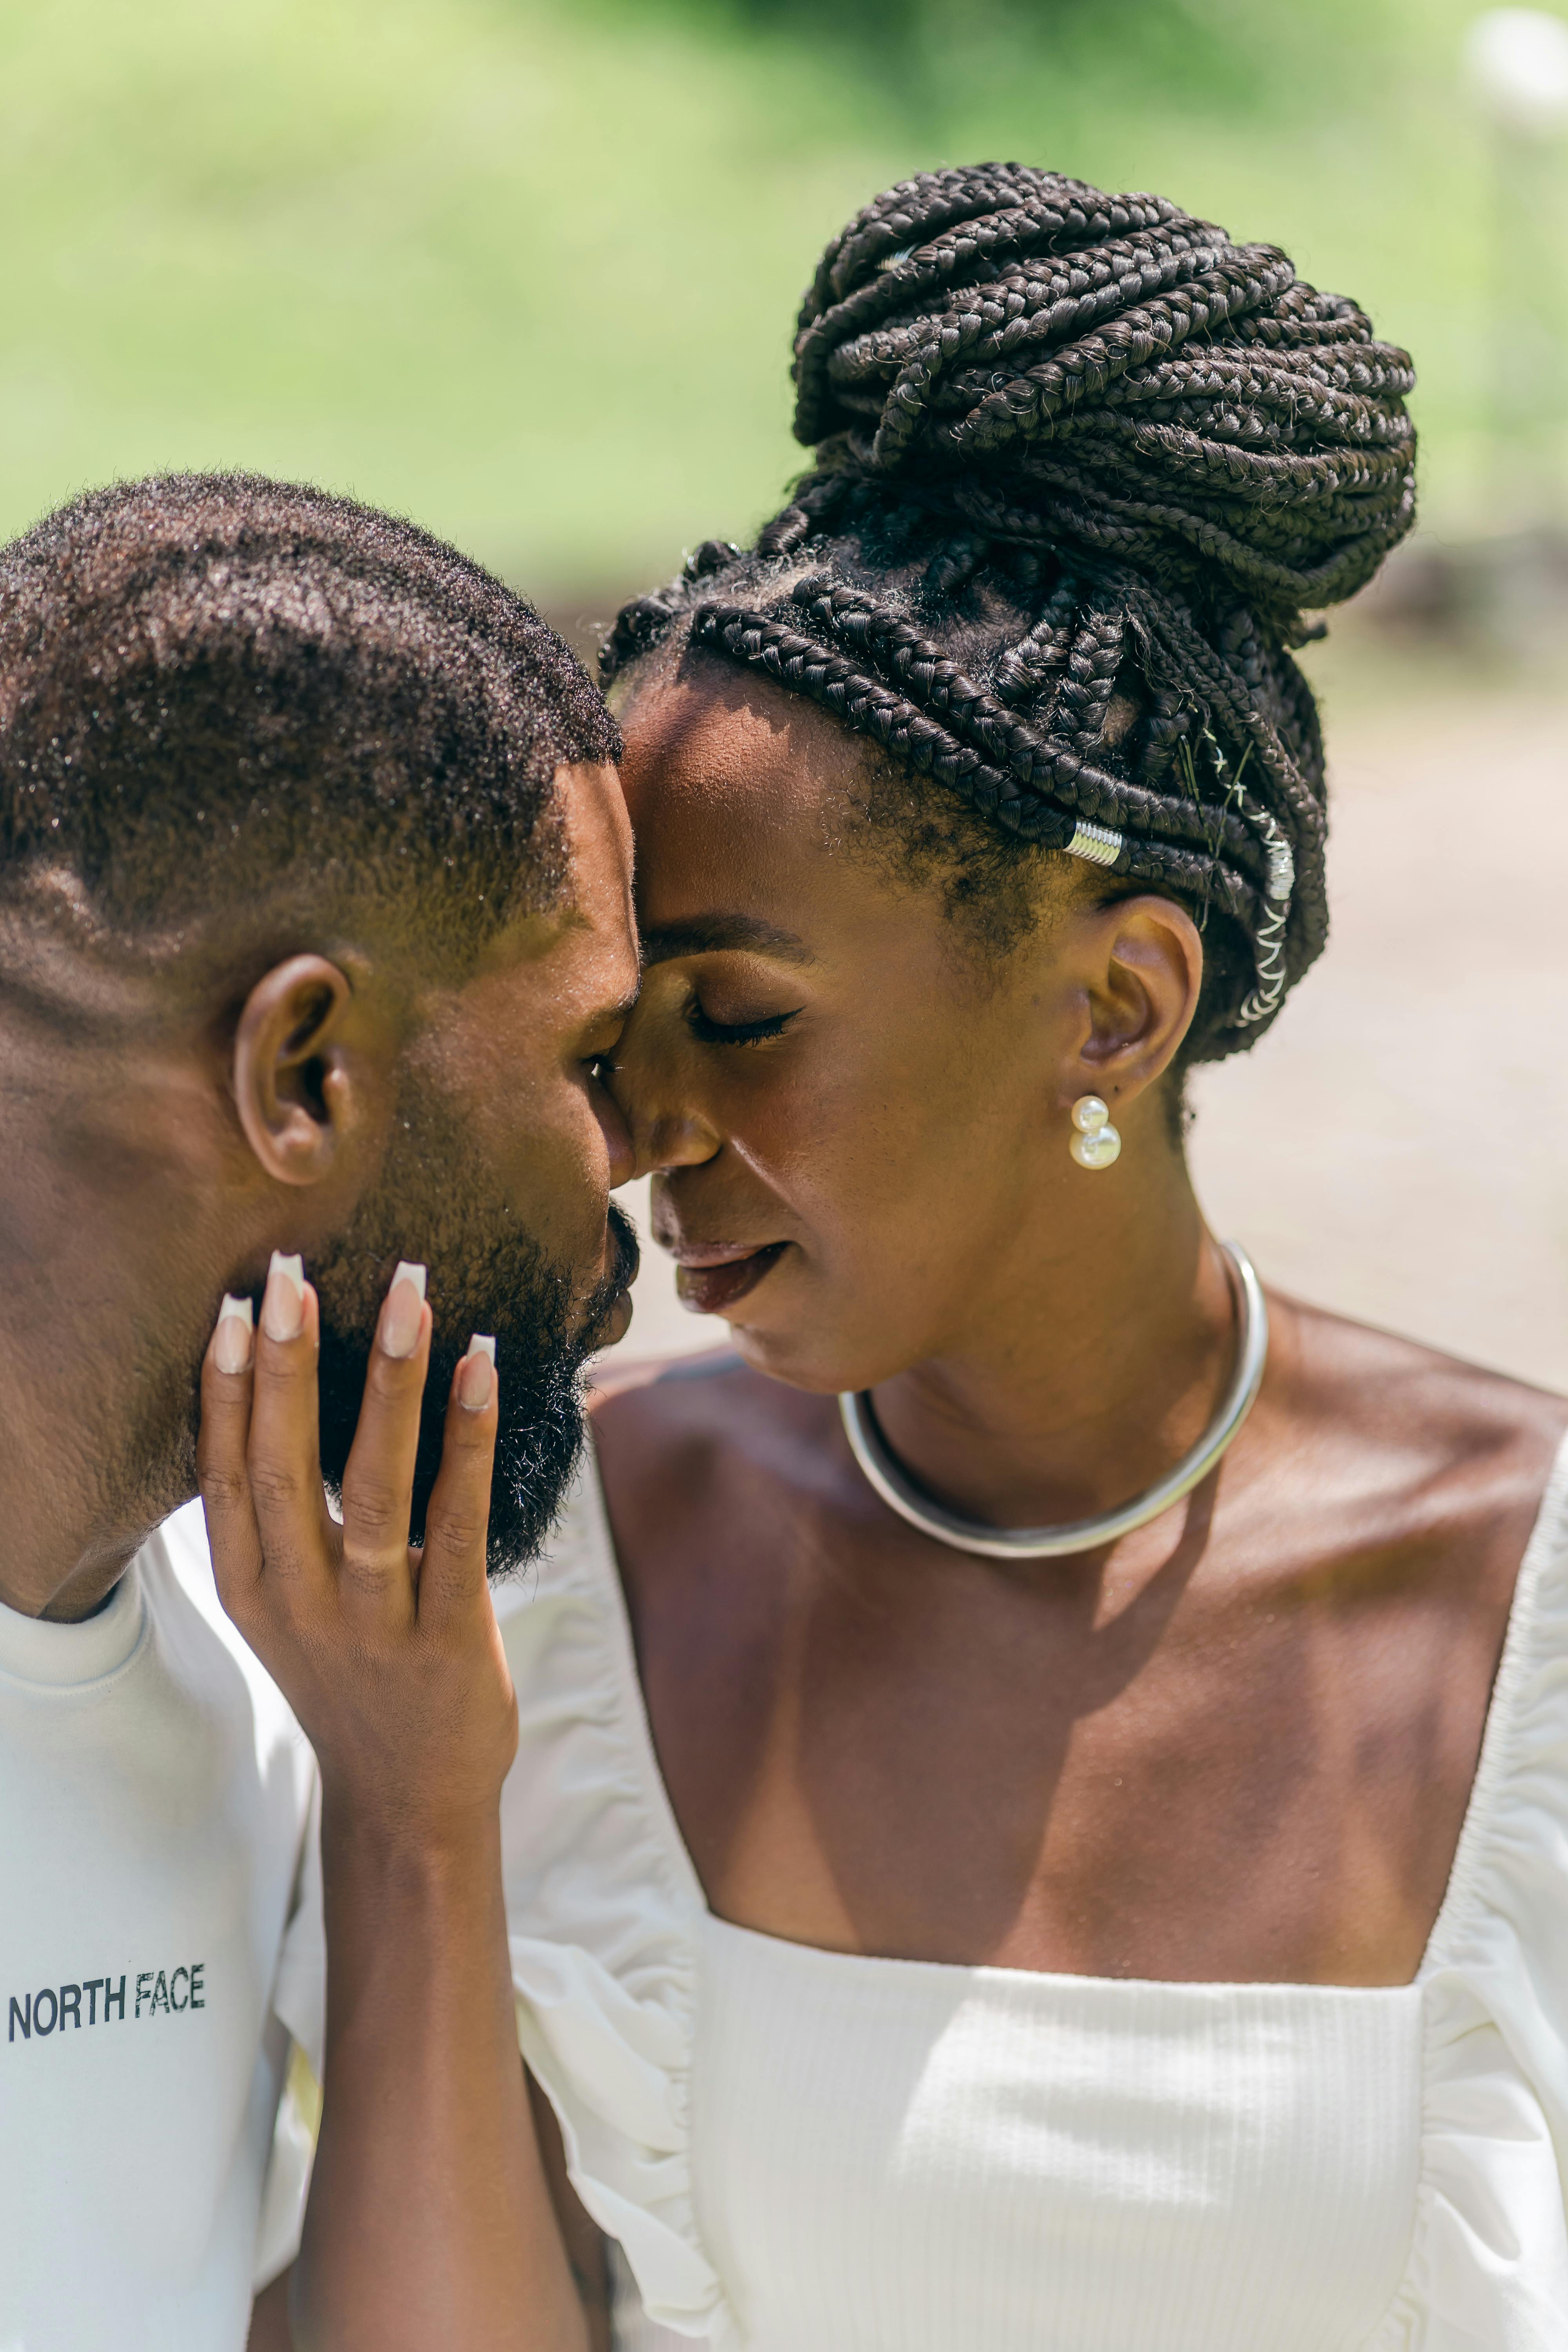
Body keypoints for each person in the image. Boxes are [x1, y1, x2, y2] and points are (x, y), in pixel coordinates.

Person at [200, 170, 1568, 2348]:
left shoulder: (1525, 1615)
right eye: (615, 1038)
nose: (645, 1141)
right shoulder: (551, 1575)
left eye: (739, 1019)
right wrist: (415, 1804)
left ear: (1116, 1005)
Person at [0, 472, 640, 2352]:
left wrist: (414, 1819)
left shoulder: (271, 1658)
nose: (642, 1172)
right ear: (303, 1071)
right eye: (590, 1057)